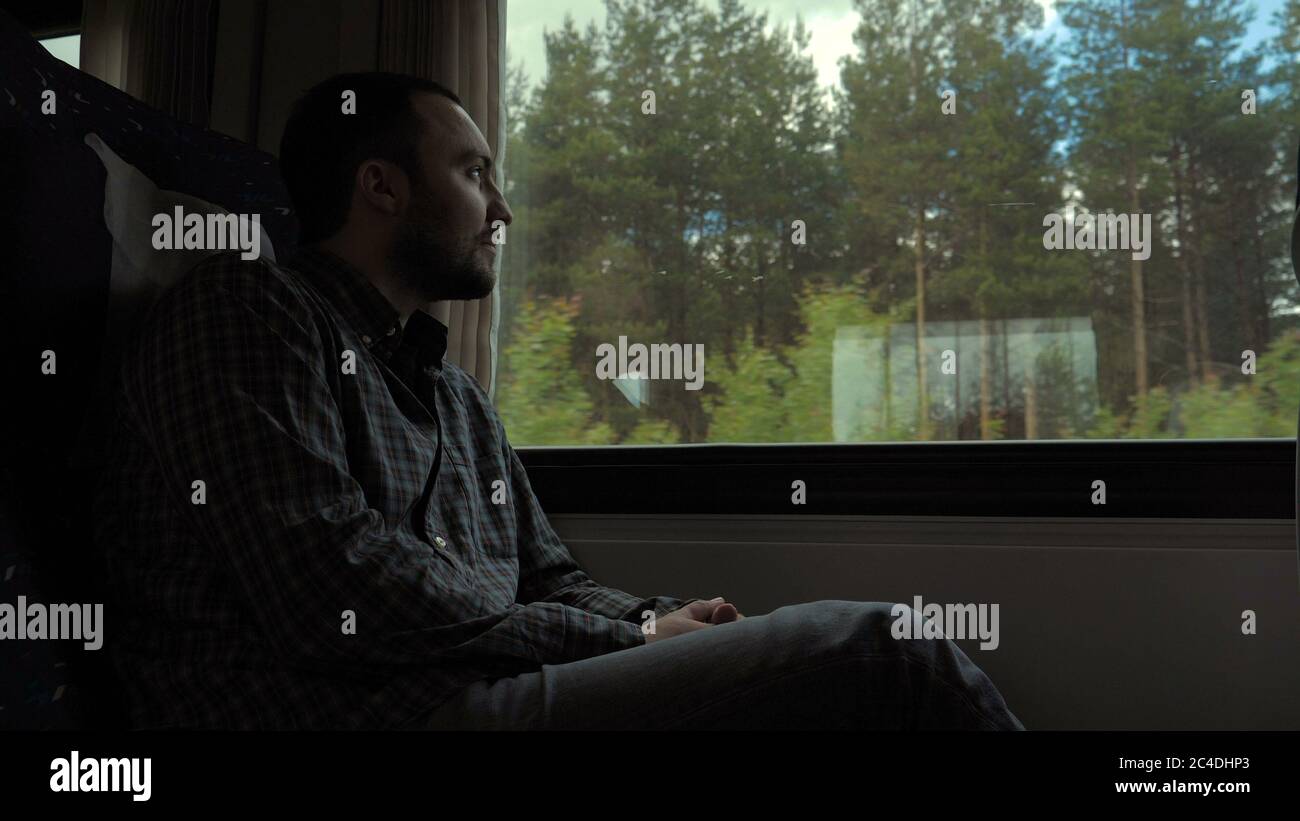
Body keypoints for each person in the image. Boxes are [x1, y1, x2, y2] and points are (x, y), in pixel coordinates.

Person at [93, 71, 1023, 730]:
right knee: (881, 649)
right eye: (473, 173)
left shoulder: (453, 395)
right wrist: (627, 638)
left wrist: (660, 618)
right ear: (381, 186)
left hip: (462, 687)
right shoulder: (243, 318)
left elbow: (546, 576)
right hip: (357, 711)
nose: (502, 211)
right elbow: (332, 591)